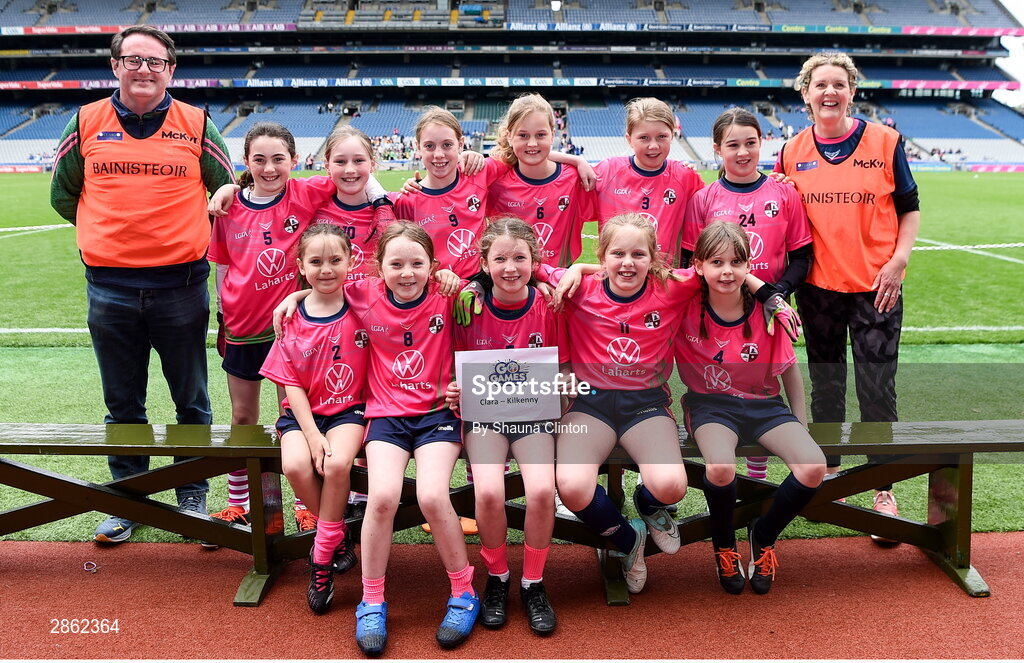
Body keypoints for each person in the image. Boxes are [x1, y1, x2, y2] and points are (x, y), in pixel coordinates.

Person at [49, 25, 234, 543]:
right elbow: (63, 194)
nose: (144, 70)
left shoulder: (197, 123)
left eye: (155, 61)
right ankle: (128, 500)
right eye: (133, 59)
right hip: (109, 287)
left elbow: (226, 191)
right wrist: (109, 234)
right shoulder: (84, 121)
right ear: (115, 66)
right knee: (123, 403)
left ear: (170, 70)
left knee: (191, 400)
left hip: (181, 284)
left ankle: (192, 496)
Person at [275, 223, 472, 656]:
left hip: (437, 416)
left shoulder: (447, 293)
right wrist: (293, 297)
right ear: (377, 268)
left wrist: (455, 279)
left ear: (433, 265)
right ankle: (372, 600)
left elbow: (495, 299)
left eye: (417, 264)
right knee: (381, 498)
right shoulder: (363, 293)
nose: (407, 273)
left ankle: (463, 591)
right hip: (385, 416)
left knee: (433, 496)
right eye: (396, 264)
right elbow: (323, 288)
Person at [206, 124, 393, 548]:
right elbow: (221, 266)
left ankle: (302, 504)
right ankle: (239, 502)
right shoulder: (229, 208)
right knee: (242, 416)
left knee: (290, 414)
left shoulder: (304, 192)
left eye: (278, 159)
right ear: (245, 162)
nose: (269, 168)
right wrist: (227, 189)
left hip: (296, 328)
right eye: (259, 160)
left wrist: (382, 203)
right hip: (243, 327)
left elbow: (356, 173)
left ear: (295, 160)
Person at [775, 52, 921, 542]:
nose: (830, 92)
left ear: (852, 91)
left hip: (876, 287)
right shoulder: (791, 150)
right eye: (820, 85)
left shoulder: (885, 141)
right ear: (806, 93)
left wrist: (899, 260)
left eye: (839, 84)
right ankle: (830, 477)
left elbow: (909, 206)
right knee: (827, 386)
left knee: (877, 389)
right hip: (819, 289)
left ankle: (883, 489)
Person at [541, 214, 701, 594]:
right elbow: (527, 264)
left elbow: (718, 269)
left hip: (644, 405)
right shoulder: (580, 287)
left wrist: (771, 296)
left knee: (671, 486)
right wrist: (579, 269)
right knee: (572, 487)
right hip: (590, 404)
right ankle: (630, 541)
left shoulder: (671, 287)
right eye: (617, 254)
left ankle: (647, 505)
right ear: (602, 255)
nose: (628, 263)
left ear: (654, 258)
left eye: (638, 254)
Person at [678, 221, 824, 595]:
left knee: (813, 467)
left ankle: (764, 534)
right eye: (716, 262)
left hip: (765, 406)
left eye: (736, 262)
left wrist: (800, 421)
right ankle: (724, 545)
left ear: (748, 265)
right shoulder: (683, 304)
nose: (727, 271)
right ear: (698, 265)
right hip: (711, 406)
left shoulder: (766, 309)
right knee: (721, 467)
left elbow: (789, 369)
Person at [681, 107, 812, 482]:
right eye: (733, 145)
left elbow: (802, 257)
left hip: (769, 308)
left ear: (762, 143)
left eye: (750, 143)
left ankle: (757, 474)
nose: (743, 152)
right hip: (719, 306)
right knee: (727, 380)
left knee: (766, 381)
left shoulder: (784, 193)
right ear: (717, 149)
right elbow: (689, 261)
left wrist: (775, 295)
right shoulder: (703, 199)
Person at [445, 217, 561, 635]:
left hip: (532, 417)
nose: (510, 268)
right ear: (483, 263)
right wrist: (454, 389)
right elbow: (450, 361)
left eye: (520, 258)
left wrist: (561, 387)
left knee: (542, 491)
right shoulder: (465, 304)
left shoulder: (549, 304)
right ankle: (497, 577)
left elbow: (563, 365)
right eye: (499, 259)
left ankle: (533, 582)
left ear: (535, 261)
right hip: (486, 419)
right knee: (490, 492)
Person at [260, 224, 368, 614]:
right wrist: (311, 435)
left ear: (350, 262)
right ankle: (336, 533)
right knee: (294, 465)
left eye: (335, 260)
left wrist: (295, 293)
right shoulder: (291, 319)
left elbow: (404, 283)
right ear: (301, 266)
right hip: (303, 414)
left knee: (337, 464)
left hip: (349, 410)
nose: (326, 269)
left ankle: (321, 558)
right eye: (316, 261)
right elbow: (291, 384)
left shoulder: (363, 305)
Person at [590, 97, 705, 265]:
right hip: (618, 275)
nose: (653, 146)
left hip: (665, 277)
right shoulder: (607, 171)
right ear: (629, 139)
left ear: (672, 136)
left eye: (661, 137)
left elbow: (708, 215)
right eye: (644, 138)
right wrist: (575, 161)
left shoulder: (685, 176)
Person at [487, 93, 596, 267]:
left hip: (559, 278)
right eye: (523, 135)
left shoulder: (574, 178)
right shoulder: (495, 183)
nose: (532, 143)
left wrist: (577, 161)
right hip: (512, 278)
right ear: (509, 136)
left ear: (553, 135)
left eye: (540, 135)